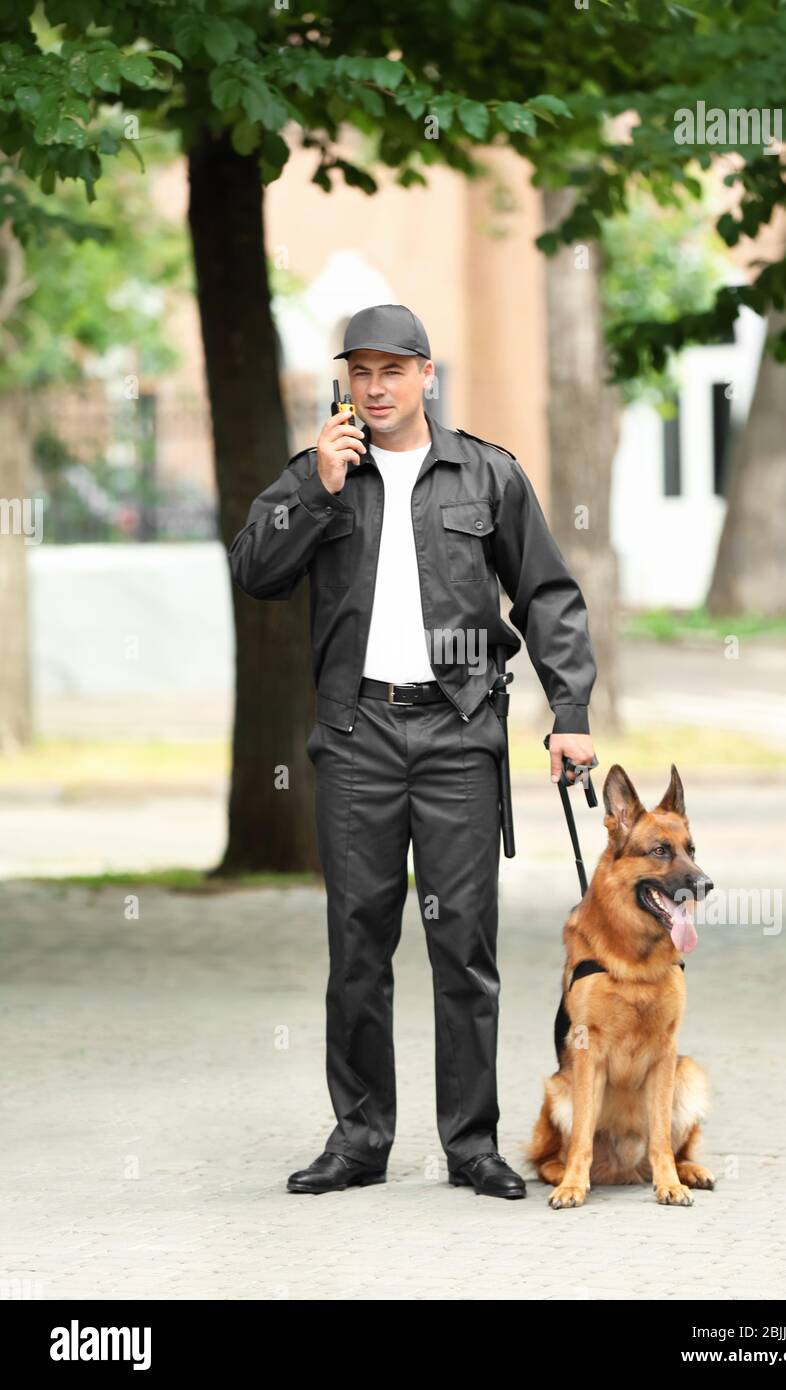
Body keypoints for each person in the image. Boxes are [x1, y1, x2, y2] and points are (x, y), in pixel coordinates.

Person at [228, 304, 596, 1199]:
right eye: (360, 372)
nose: (376, 387)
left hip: (459, 733)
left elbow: (546, 592)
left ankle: (471, 1145)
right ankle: (359, 1140)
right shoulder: (318, 475)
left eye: (394, 370)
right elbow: (254, 569)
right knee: (357, 945)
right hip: (355, 737)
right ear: (343, 384)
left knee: (463, 945)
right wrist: (315, 486)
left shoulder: (489, 475)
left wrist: (570, 708)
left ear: (427, 375)